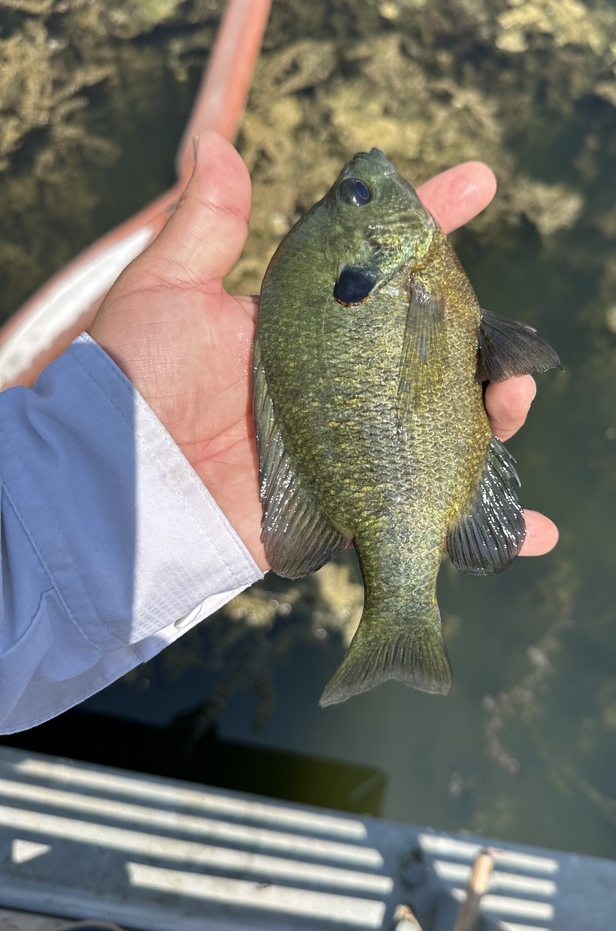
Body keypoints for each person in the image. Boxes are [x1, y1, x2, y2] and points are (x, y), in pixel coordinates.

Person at [0, 132, 558, 734]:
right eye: (357, 194)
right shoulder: (413, 277)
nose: (365, 177)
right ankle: (403, 617)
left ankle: (403, 615)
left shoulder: (381, 273)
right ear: (369, 254)